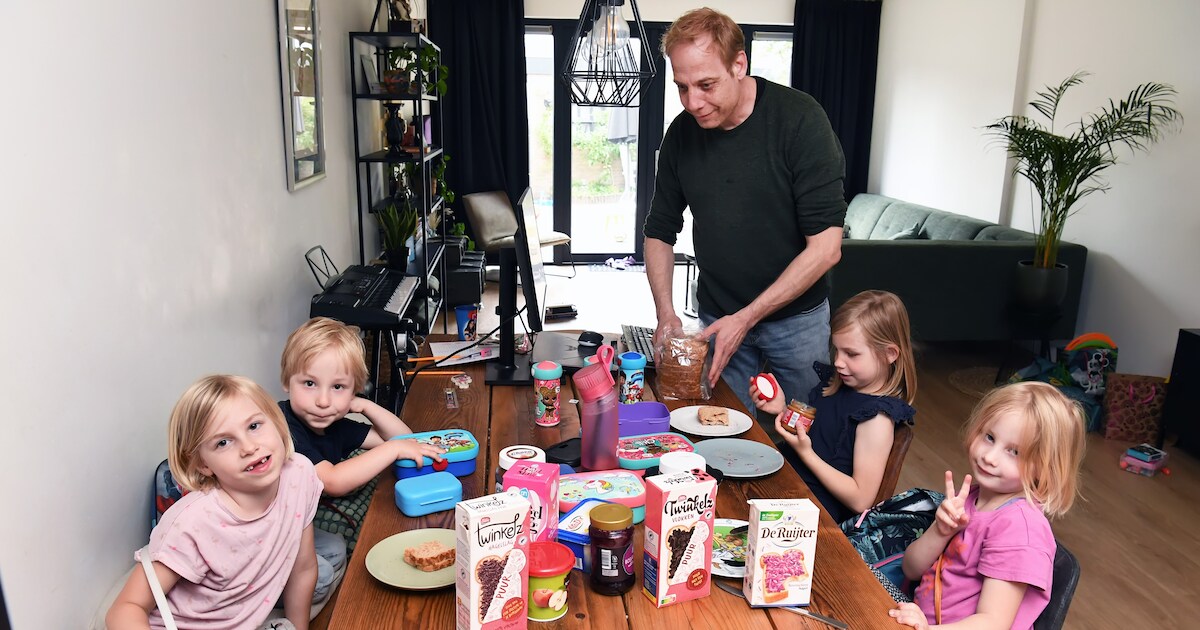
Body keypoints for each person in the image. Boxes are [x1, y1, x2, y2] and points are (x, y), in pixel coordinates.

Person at [644, 7, 847, 424]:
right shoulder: (681, 134)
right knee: (724, 436)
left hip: (797, 323)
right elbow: (659, 231)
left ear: (739, 65)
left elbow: (826, 249)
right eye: (682, 87)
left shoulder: (801, 121)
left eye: (706, 85)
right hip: (718, 317)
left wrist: (747, 317)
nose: (693, 103)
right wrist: (666, 313)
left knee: (804, 435)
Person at [106, 375, 322, 629]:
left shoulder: (300, 473)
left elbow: (302, 568)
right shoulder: (192, 523)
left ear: (276, 421)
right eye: (223, 442)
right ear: (203, 464)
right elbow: (124, 609)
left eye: (254, 426)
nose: (249, 447)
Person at [889, 381, 1086, 629]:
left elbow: (993, 623)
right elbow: (911, 569)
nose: (989, 457)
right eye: (990, 437)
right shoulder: (973, 497)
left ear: (1045, 468)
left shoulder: (1020, 530)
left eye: (1014, 452)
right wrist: (940, 531)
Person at [751, 290, 917, 524]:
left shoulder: (876, 419)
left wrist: (806, 454)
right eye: (837, 349)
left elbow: (861, 499)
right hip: (788, 481)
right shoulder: (837, 385)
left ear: (890, 354)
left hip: (812, 514)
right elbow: (821, 438)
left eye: (851, 354)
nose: (838, 361)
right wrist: (782, 410)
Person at [279, 317, 445, 497]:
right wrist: (394, 448)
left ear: (353, 391)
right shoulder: (281, 426)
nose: (323, 401)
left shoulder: (336, 425)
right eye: (310, 383)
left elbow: (405, 439)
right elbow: (332, 481)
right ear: (286, 382)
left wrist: (367, 406)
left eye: (337, 387)